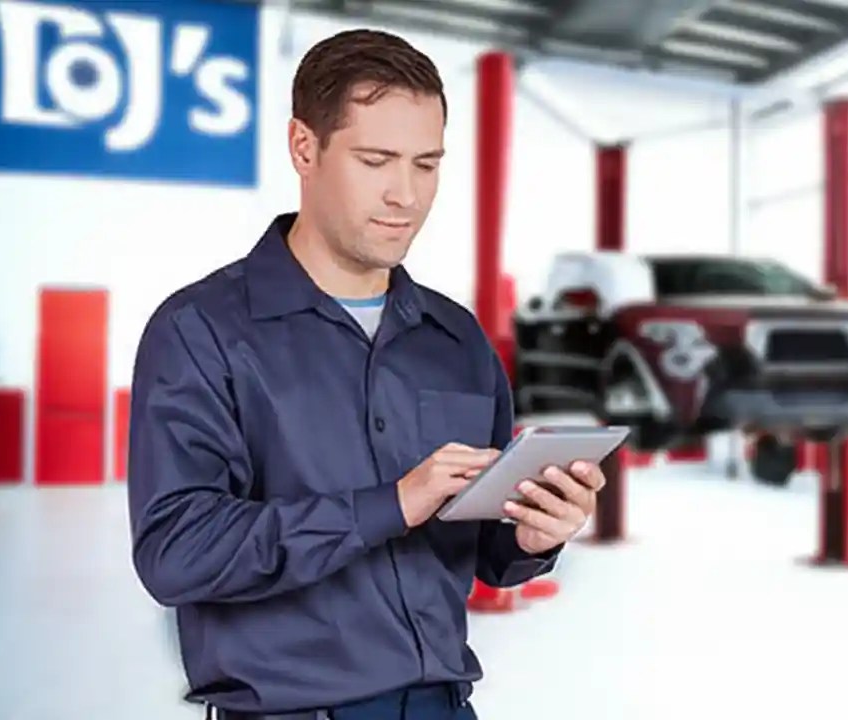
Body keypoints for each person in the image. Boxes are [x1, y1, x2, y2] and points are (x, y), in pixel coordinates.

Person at [126, 29, 606, 720]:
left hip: (446, 706)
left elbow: (485, 551)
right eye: (376, 160)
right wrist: (389, 504)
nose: (405, 196)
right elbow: (176, 552)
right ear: (304, 148)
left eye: (426, 165)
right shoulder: (200, 332)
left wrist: (534, 535)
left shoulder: (456, 340)